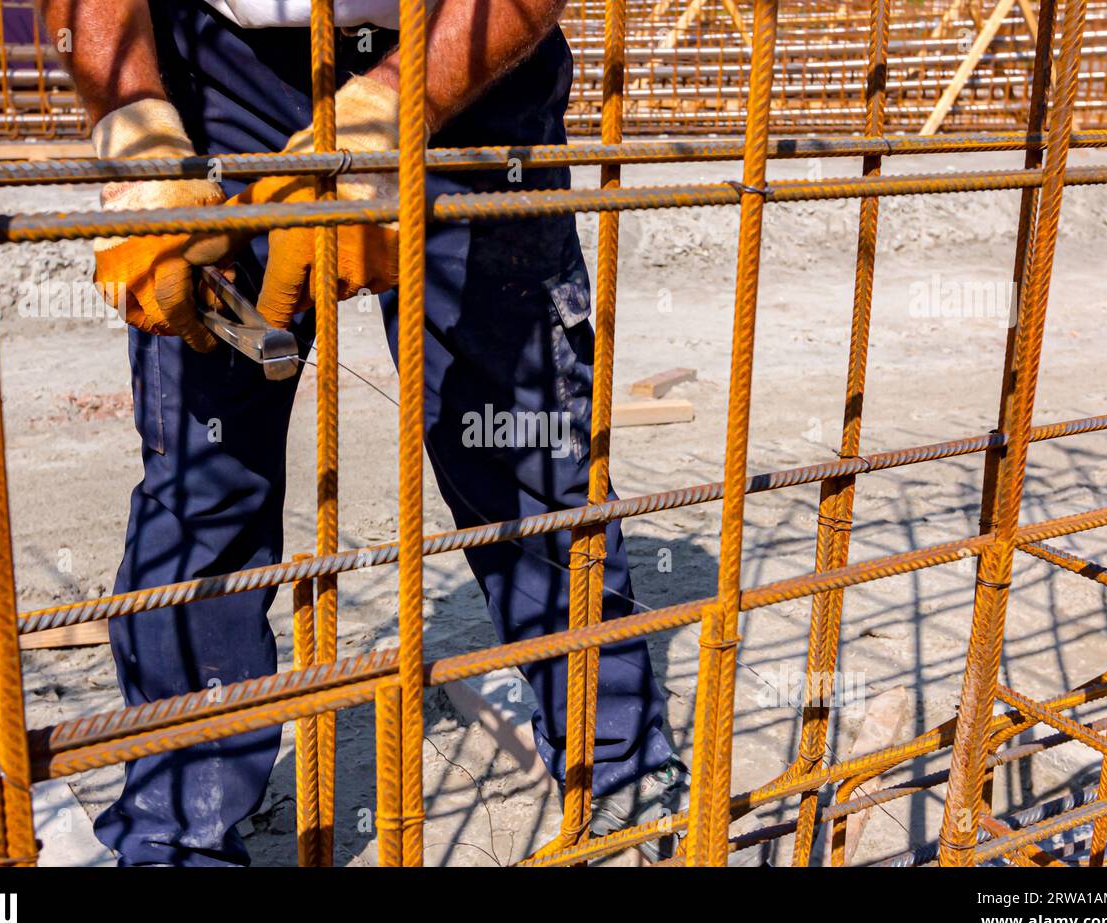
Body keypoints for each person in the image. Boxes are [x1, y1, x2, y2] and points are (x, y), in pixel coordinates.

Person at [39, 0, 687, 866]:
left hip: (461, 56)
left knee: (521, 444)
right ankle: (178, 826)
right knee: (206, 473)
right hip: (215, 73)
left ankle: (616, 765)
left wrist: (392, 110)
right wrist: (137, 134)